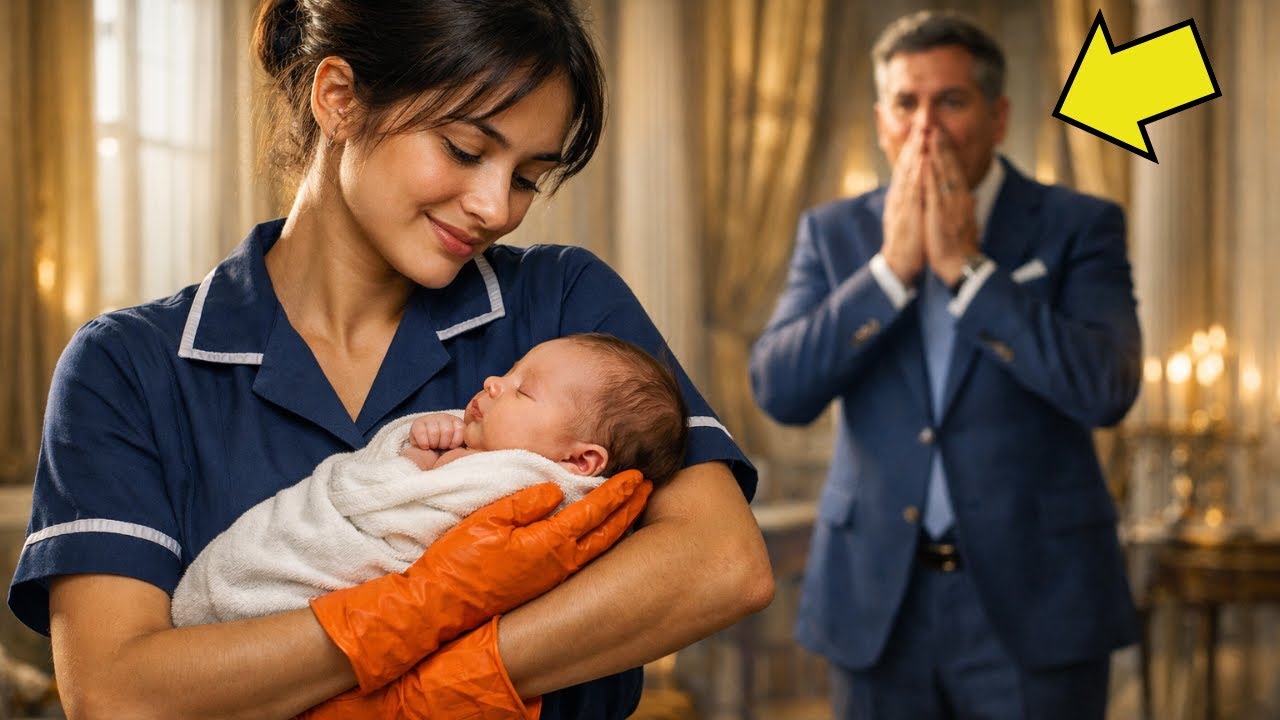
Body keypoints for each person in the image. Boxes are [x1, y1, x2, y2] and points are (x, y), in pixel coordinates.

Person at [8, 0, 774, 718]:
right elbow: (118, 692)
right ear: (338, 98)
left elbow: (721, 564)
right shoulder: (127, 368)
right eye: (464, 149)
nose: (495, 207)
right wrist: (413, 611)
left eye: (526, 179)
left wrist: (445, 681)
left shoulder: (565, 305)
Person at [750, 10, 1141, 720]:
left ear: (998, 117)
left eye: (950, 101)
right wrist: (888, 274)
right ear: (882, 121)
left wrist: (970, 270)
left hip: (1038, 601)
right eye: (906, 103)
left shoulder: (1079, 224)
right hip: (876, 602)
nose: (925, 127)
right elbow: (779, 388)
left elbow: (1105, 387)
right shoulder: (833, 233)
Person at [171, 333, 690, 627]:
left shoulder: (536, 490)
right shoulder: (481, 449)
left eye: (522, 391)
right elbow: (385, 476)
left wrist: (426, 462)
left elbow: (406, 508)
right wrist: (417, 444)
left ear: (581, 462)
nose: (494, 382)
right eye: (509, 371)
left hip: (336, 586)